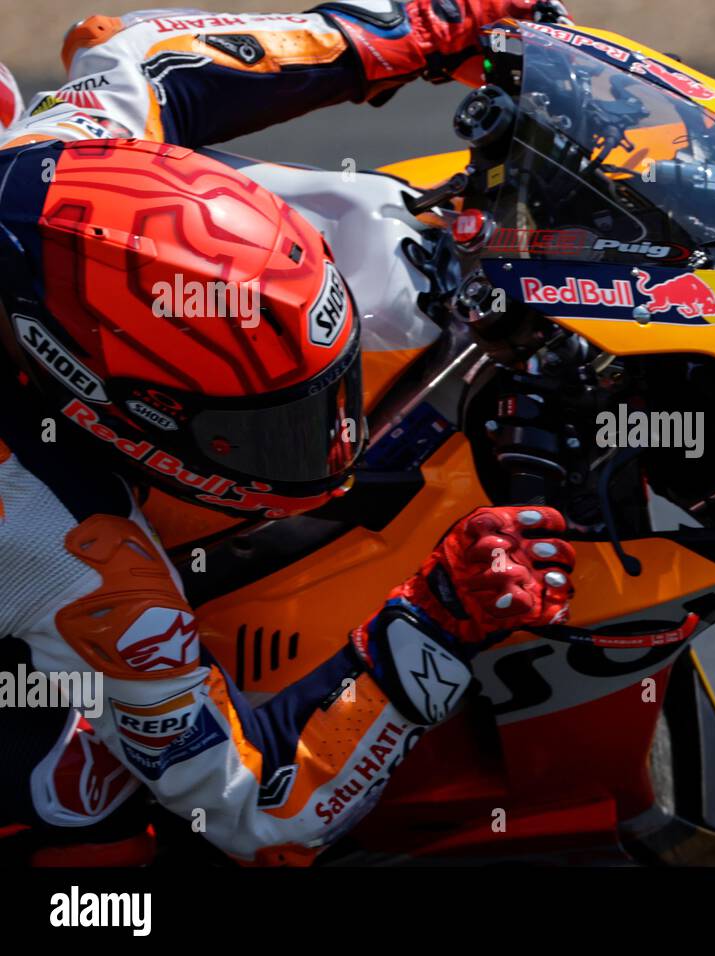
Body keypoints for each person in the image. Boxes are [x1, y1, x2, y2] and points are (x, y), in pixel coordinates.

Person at [0, 0, 576, 866]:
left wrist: (427, 23)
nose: (328, 440)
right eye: (260, 429)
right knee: (82, 796)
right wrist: (434, 623)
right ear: (96, 390)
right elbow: (261, 817)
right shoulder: (62, 542)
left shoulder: (78, 143)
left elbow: (152, 50)